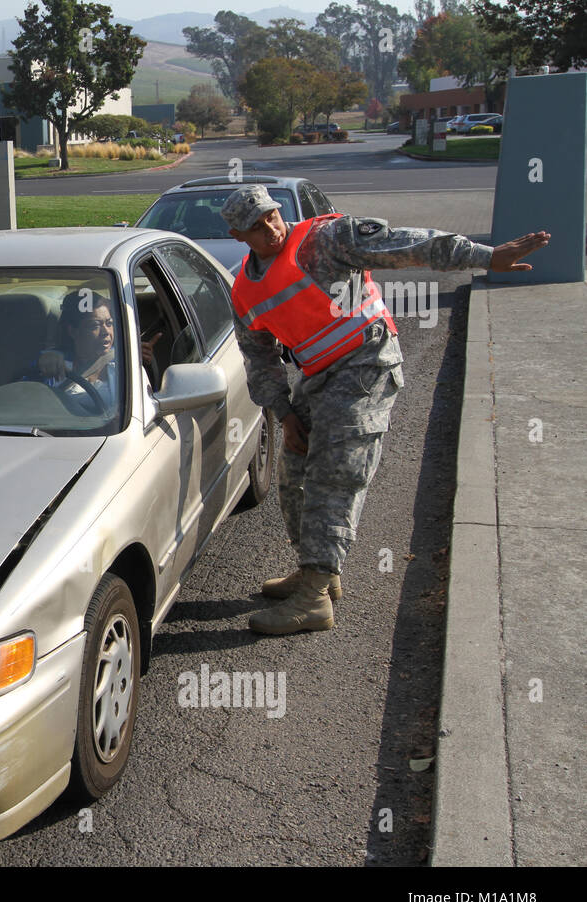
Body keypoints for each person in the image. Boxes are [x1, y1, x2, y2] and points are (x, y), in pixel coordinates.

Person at [221, 183, 549, 635]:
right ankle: (316, 569)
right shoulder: (244, 291)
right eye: (256, 228)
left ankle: (314, 597)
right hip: (317, 378)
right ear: (240, 237)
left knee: (335, 473)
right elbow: (258, 357)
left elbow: (408, 244)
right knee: (293, 474)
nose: (271, 229)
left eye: (272, 216)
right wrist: (285, 411)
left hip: (366, 364)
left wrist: (483, 256)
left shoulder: (324, 240)